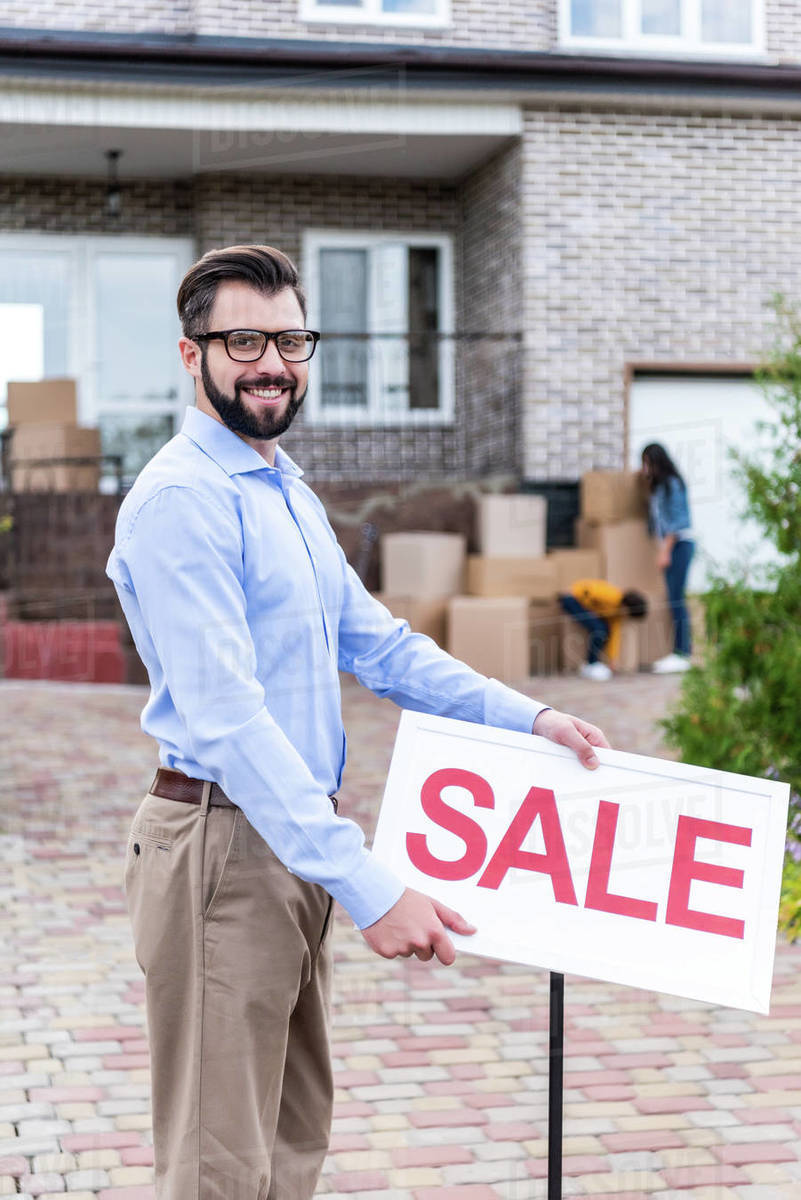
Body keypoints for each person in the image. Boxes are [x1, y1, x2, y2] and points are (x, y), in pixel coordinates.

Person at [106, 244, 610, 1200]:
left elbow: (379, 646)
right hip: (221, 846)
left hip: (285, 844)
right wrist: (370, 885)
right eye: (243, 339)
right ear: (191, 355)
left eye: (291, 338)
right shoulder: (183, 501)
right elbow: (225, 719)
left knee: (291, 1139)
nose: (272, 362)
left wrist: (528, 718)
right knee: (220, 1165)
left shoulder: (281, 487)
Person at [640, 442, 695, 674]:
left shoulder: (672, 484)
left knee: (676, 600)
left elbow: (678, 523)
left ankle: (682, 653)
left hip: (680, 546)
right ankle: (681, 652)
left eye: (645, 463)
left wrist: (665, 551)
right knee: (674, 598)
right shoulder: (660, 485)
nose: (643, 468)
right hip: (674, 546)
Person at [559, 580, 648, 681]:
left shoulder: (617, 614)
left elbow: (615, 634)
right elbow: (587, 590)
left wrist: (613, 659)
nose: (627, 618)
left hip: (582, 605)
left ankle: (593, 663)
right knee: (599, 628)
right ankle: (591, 664)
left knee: (604, 629)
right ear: (627, 608)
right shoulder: (612, 596)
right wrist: (592, 611)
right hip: (572, 599)